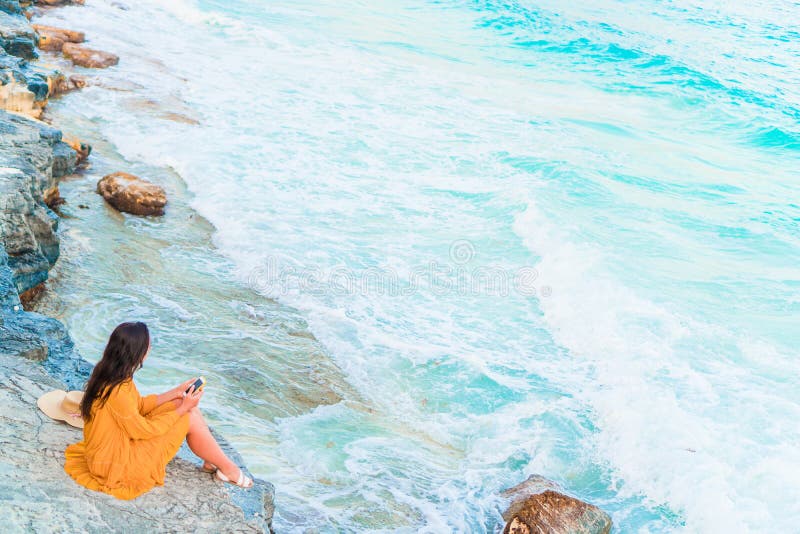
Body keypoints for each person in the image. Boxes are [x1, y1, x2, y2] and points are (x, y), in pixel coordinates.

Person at [64, 321, 253, 500]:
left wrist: (176, 393)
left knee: (184, 406)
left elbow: (138, 407)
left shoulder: (111, 375)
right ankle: (228, 469)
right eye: (148, 346)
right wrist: (181, 410)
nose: (150, 349)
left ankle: (213, 460)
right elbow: (142, 430)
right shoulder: (118, 389)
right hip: (115, 466)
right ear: (137, 352)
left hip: (111, 452)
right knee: (188, 414)